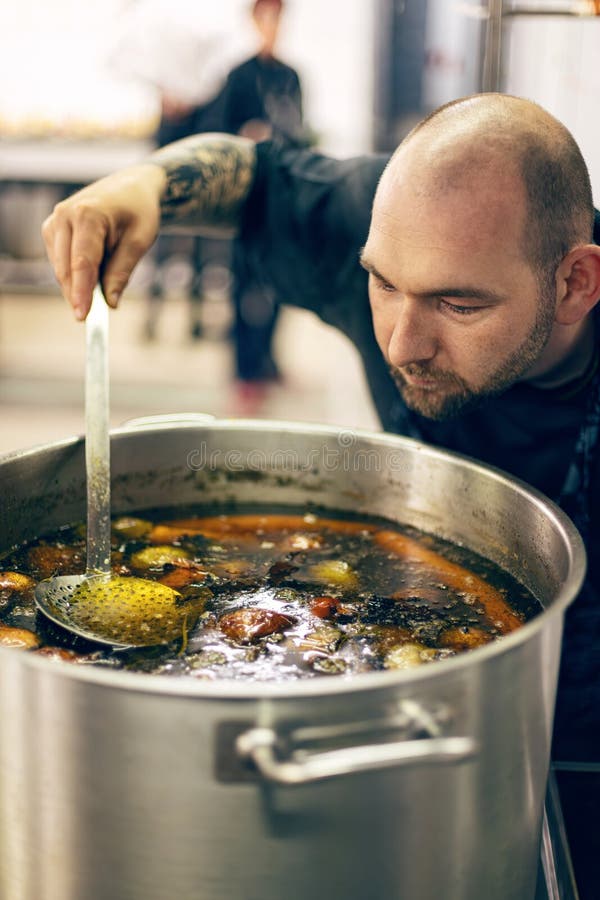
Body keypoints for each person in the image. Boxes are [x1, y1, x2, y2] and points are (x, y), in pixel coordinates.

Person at [42, 92, 600, 892]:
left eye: (458, 303)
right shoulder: (390, 223)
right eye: (382, 284)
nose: (403, 344)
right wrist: (142, 185)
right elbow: (256, 173)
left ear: (577, 283)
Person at [221, 0, 306, 398]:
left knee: (279, 281)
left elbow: (299, 131)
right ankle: (244, 369)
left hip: (281, 194)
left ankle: (268, 359)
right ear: (254, 22)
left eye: (278, 18)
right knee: (246, 285)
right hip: (248, 195)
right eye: (265, 17)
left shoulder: (291, 77)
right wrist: (245, 135)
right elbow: (219, 134)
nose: (272, 25)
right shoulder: (238, 77)